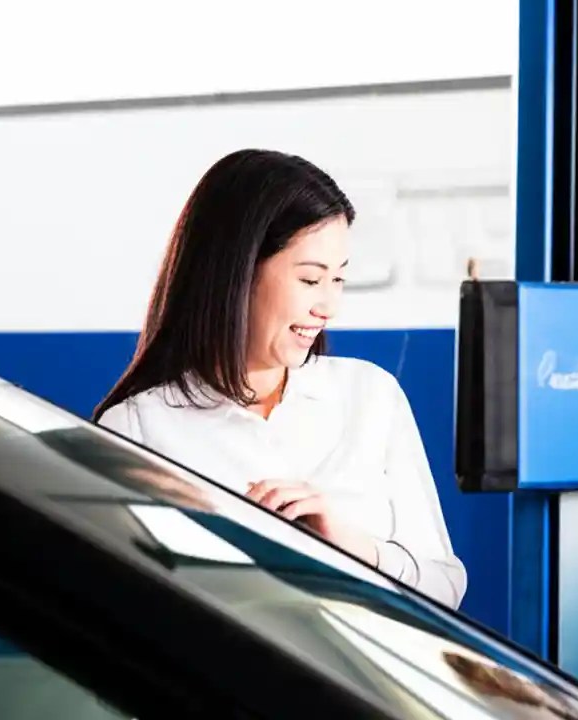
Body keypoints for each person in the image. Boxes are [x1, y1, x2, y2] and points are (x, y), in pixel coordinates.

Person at [93, 149, 467, 609]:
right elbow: (121, 612)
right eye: (311, 280)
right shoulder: (136, 429)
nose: (328, 307)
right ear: (237, 271)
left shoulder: (371, 396)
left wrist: (355, 548)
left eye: (339, 281)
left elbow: (445, 589)